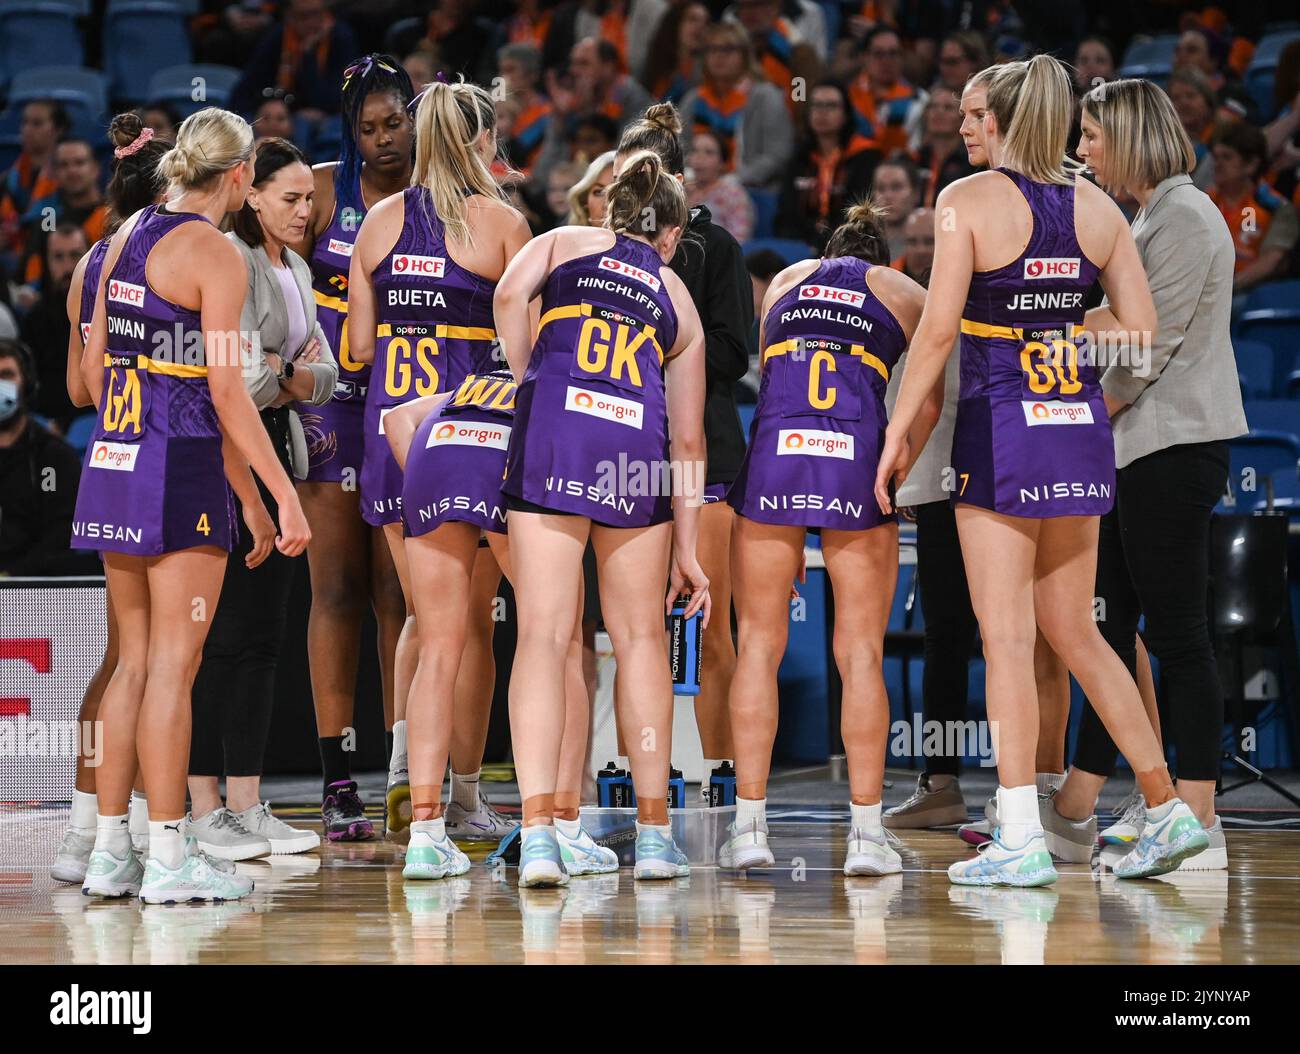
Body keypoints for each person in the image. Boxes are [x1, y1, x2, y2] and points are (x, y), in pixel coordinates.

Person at [878, 55, 1208, 886]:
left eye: (974, 112)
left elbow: (939, 333)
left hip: (1002, 430)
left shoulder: (965, 201)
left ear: (1006, 119)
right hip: (1076, 428)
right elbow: (1137, 325)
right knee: (1080, 631)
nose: (965, 125)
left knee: (1009, 638)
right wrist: (1055, 317)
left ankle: (1022, 835)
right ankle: (1167, 809)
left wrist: (898, 437)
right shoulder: (1096, 207)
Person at [73, 107, 310, 904]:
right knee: (176, 665)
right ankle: (171, 855)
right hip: (180, 462)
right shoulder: (217, 253)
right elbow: (230, 393)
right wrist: (279, 495)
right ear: (240, 176)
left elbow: (98, 364)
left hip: (115, 453)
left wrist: (130, 425)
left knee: (132, 665)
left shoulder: (127, 234)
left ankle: (110, 851)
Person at [494, 150, 708, 884]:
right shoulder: (674, 291)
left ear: (610, 207)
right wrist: (690, 545)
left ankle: (542, 837)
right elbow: (688, 438)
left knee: (544, 639)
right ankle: (652, 837)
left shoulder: (560, 243)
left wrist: (530, 378)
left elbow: (504, 296)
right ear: (672, 233)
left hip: (557, 432)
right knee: (643, 639)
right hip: (634, 450)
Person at [1051, 78, 1248, 872]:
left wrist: (1067, 416)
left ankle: (1197, 819)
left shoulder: (1186, 216)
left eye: (1093, 135)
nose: (1084, 150)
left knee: (1178, 636)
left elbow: (1140, 351)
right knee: (1112, 629)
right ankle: (1096, 801)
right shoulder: (1152, 216)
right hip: (1141, 450)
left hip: (1170, 449)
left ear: (1129, 136)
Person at [721, 202, 928, 874]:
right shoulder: (902, 291)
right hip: (854, 455)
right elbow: (926, 396)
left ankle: (749, 829)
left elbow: (773, 374)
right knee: (861, 653)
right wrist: (901, 464)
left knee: (757, 644)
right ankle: (866, 836)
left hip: (776, 455)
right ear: (881, 257)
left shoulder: (782, 281)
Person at [348, 79, 519, 849]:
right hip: (466, 442)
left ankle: (394, 774)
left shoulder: (377, 222)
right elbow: (527, 351)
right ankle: (464, 796)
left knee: (421, 617)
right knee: (471, 628)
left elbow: (355, 348)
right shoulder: (502, 224)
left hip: (388, 438)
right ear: (481, 141)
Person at [187, 137, 338, 860]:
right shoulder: (230, 259)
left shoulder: (300, 269)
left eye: (310, 198)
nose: (305, 211)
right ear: (250, 193)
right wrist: (285, 372)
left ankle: (245, 803)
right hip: (231, 459)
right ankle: (201, 804)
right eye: (289, 197)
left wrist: (284, 373)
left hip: (283, 449)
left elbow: (331, 376)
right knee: (224, 636)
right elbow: (238, 386)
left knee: (266, 638)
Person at [49, 113, 172, 887]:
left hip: (108, 454)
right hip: (164, 455)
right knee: (156, 664)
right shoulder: (175, 251)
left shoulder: (90, 261)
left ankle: (86, 827)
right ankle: (139, 837)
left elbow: (76, 389)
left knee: (123, 657)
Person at [290, 54, 412, 841]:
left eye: (394, 122)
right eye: (366, 128)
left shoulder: (446, 194)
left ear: (415, 113)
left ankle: (408, 772)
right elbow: (266, 273)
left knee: (400, 596)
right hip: (332, 403)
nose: (382, 140)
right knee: (335, 588)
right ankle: (338, 780)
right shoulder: (324, 189)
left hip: (406, 393)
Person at [615, 103, 752, 796]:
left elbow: (733, 351)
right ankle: (642, 771)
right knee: (632, 626)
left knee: (712, 621)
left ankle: (723, 772)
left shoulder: (714, 249)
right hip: (624, 451)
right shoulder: (593, 250)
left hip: (709, 451)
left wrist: (665, 351)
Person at [678, 22, 794, 191]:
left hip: (752, 190)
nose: (719, 56)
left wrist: (734, 180)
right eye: (712, 49)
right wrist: (690, 175)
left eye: (728, 49)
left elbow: (777, 155)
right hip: (695, 189)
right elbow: (677, 148)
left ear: (745, 55)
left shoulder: (766, 97)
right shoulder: (693, 99)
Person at [0, 339, 82, 576]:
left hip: (36, 588)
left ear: (27, 384)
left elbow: (62, 533)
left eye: (7, 375)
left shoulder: (55, 457)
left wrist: (12, 575)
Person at [778, 80, 881, 250]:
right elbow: (787, 213)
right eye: (816, 105)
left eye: (831, 106)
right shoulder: (799, 158)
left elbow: (861, 212)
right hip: (800, 246)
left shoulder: (865, 156)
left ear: (846, 113)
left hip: (850, 246)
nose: (822, 112)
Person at [1207, 122, 1298, 293]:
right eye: (1215, 157)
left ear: (1251, 165)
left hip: (1248, 292)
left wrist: (1226, 289)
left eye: (1227, 157)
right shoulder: (1204, 200)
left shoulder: (1276, 207)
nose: (1217, 164)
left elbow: (1272, 261)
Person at [231, 0, 359, 118]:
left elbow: (333, 99)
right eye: (303, 16)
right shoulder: (278, 36)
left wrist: (309, 54)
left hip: (323, 115)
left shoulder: (340, 37)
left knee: (303, 122)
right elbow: (246, 89)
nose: (312, 23)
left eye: (317, 14)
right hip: (281, 109)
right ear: (289, 16)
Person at [849, 25, 926, 156]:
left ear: (902, 57)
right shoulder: (847, 98)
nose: (886, 61)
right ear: (864, 57)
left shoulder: (920, 101)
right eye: (878, 54)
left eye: (893, 53)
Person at [686, 129, 755, 241]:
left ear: (722, 163)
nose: (699, 158)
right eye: (694, 150)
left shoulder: (734, 195)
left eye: (709, 152)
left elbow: (739, 241)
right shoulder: (679, 190)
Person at [871, 158, 921, 261]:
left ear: (916, 194)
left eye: (896, 187)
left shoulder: (931, 246)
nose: (888, 196)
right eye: (880, 188)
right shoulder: (861, 245)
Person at [566, 151, 614, 226]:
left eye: (620, 192)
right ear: (584, 202)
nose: (607, 204)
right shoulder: (560, 237)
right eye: (599, 192)